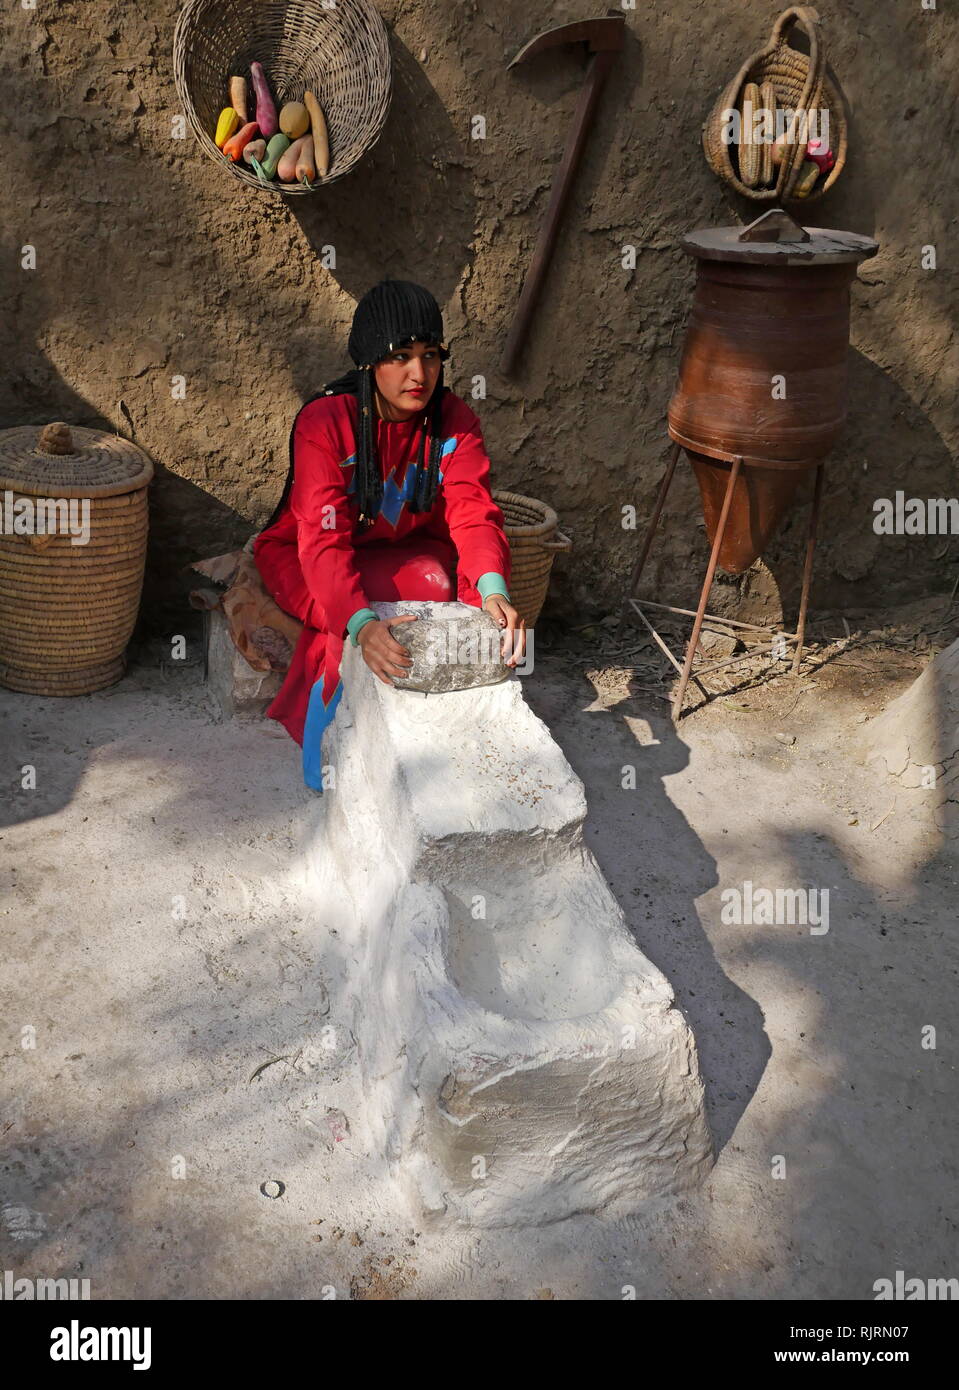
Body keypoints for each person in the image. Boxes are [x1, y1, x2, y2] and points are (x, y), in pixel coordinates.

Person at [253, 279, 526, 790]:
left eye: (430, 355)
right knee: (345, 626)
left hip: (400, 547)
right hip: (307, 552)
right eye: (399, 356)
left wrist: (493, 589)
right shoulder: (325, 421)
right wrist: (359, 623)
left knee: (446, 591)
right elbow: (322, 538)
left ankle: (441, 734)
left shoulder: (454, 420)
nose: (418, 374)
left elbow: (472, 511)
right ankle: (328, 742)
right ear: (368, 363)